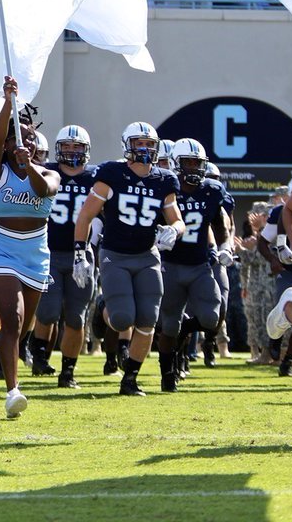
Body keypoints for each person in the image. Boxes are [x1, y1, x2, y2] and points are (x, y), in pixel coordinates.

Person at [73, 121, 186, 396]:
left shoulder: (164, 180)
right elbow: (86, 215)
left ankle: (130, 378)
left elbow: (178, 221)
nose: (145, 148)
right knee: (124, 319)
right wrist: (80, 252)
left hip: (148, 256)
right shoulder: (112, 173)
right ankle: (104, 309)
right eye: (139, 143)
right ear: (127, 145)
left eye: (149, 144)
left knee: (148, 320)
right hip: (115, 254)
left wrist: (173, 230)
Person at [0, 78, 59, 418]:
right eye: (20, 139)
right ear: (7, 146)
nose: (27, 142)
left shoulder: (49, 174)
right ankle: (12, 392)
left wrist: (29, 164)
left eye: (32, 138)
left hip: (36, 257)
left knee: (17, 330)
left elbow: (43, 189)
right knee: (13, 317)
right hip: (2, 252)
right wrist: (9, 101)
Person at [156, 138, 232, 391]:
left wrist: (224, 247)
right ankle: (167, 375)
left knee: (212, 318)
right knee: (168, 324)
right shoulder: (165, 186)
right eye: (188, 162)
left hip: (200, 265)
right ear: (177, 163)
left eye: (197, 163)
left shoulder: (211, 189)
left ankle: (183, 332)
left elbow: (220, 224)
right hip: (171, 264)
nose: (193, 168)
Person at [29, 125, 98, 388]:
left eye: (76, 146)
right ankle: (39, 353)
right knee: (46, 313)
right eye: (66, 146)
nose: (71, 151)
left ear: (86, 149)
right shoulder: (47, 171)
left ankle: (68, 372)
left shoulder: (96, 177)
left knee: (76, 317)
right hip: (48, 251)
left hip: (81, 254)